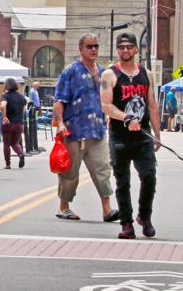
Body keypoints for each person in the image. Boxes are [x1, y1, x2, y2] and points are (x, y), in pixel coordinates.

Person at [100, 32, 162, 239]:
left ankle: (145, 216)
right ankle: (126, 223)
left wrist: (157, 134)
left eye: (129, 47)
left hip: (143, 134)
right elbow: (105, 105)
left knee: (149, 176)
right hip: (120, 136)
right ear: (117, 50)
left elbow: (152, 105)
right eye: (121, 47)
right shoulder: (108, 75)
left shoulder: (147, 74)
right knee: (122, 181)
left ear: (136, 49)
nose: (125, 50)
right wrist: (126, 117)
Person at [53, 33, 118, 223]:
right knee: (70, 171)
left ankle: (107, 209)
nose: (93, 50)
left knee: (103, 169)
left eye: (96, 46)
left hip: (97, 130)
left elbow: (109, 97)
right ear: (81, 49)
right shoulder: (70, 71)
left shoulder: (104, 72)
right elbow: (59, 101)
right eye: (89, 46)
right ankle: (63, 207)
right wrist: (60, 124)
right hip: (74, 131)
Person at [0, 78, 27, 169]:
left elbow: (3, 105)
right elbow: (23, 109)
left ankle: (8, 164)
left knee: (6, 143)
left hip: (8, 123)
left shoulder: (5, 96)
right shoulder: (22, 97)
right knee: (15, 142)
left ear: (7, 85)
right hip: (19, 123)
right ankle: (20, 154)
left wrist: (4, 117)